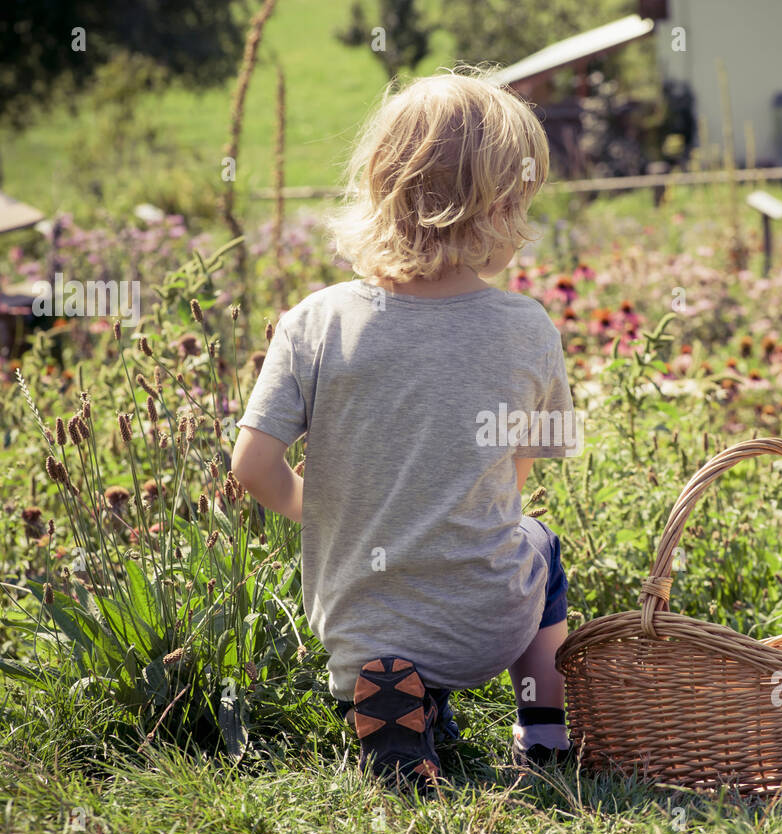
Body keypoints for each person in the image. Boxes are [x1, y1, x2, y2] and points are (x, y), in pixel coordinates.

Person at [232, 66, 580, 789]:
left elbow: (252, 467)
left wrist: (326, 512)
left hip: (359, 628)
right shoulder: (527, 327)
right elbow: (510, 482)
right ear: (503, 206)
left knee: (399, 609)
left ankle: (404, 702)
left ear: (381, 187)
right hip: (485, 621)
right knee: (540, 546)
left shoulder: (316, 322)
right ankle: (543, 731)